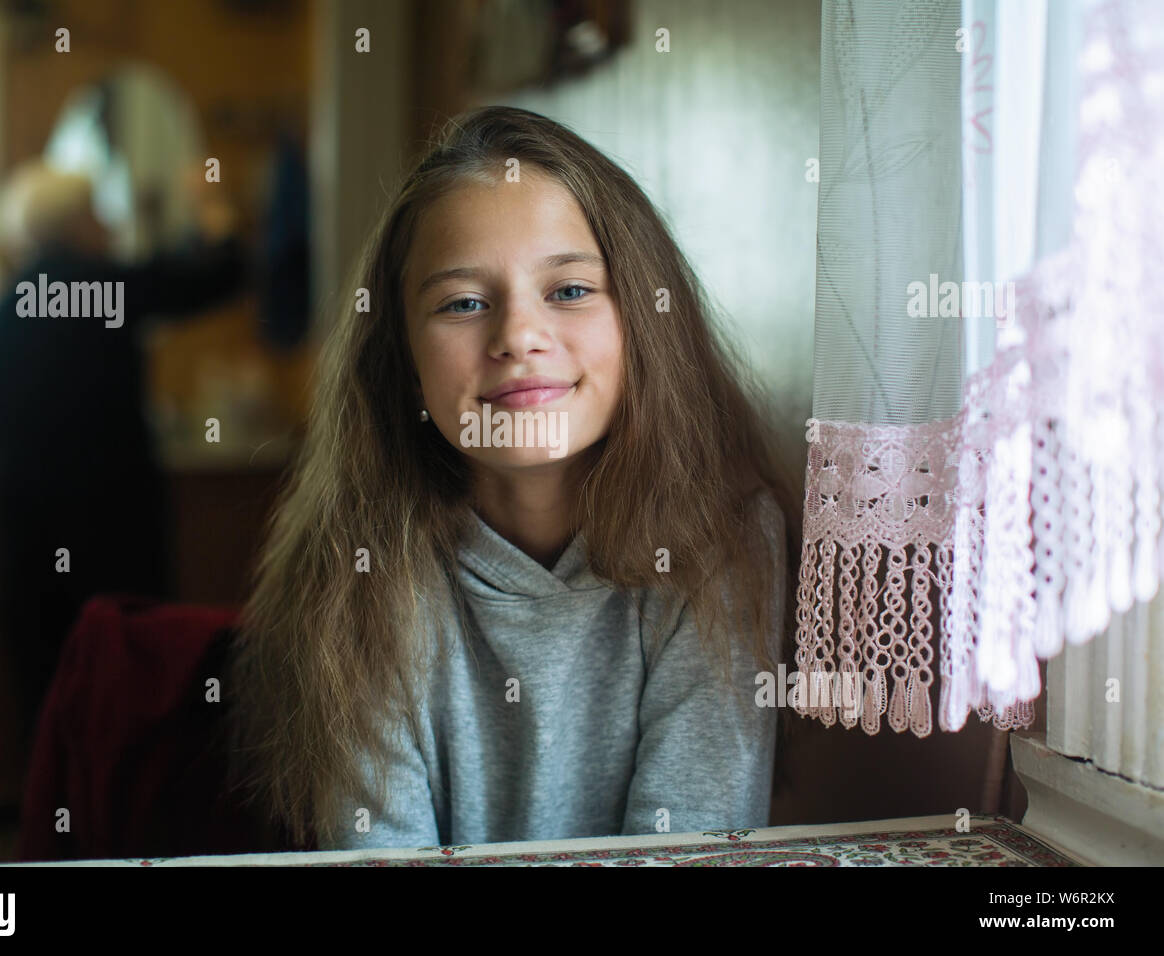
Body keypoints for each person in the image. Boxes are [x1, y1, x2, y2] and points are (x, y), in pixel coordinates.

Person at [227, 106, 801, 851]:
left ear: (645, 323)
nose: (519, 337)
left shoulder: (724, 538)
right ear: (404, 359)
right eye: (463, 303)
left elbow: (688, 851)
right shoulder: (360, 559)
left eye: (569, 291)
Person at [0, 160, 246, 761]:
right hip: (110, 529)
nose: (109, 223)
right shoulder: (99, 290)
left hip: (27, 537)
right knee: (127, 678)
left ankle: (53, 808)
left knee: (44, 694)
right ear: (73, 224)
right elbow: (214, 277)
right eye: (97, 212)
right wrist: (215, 212)